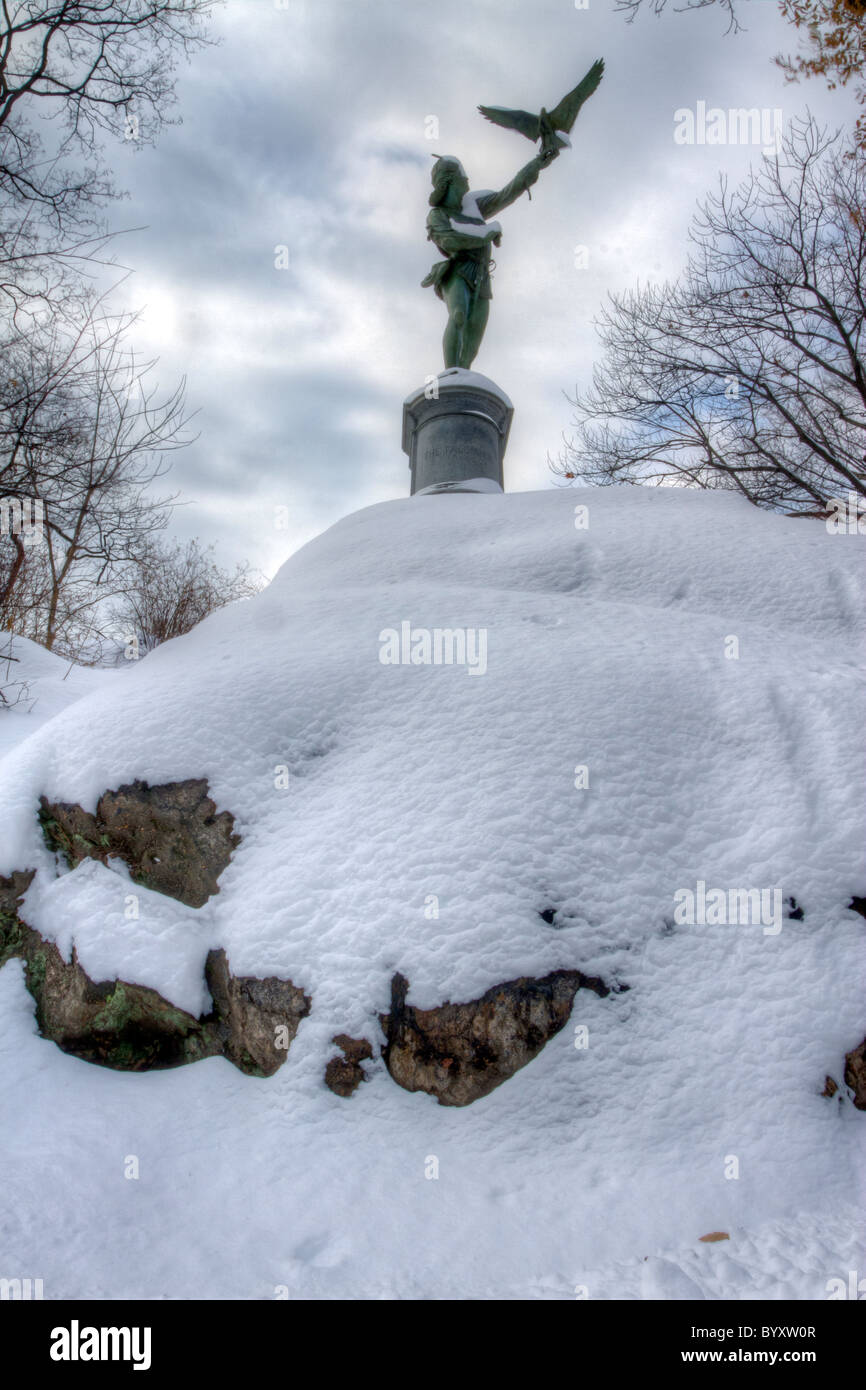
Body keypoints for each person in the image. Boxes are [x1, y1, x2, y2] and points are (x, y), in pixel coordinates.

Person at [422, 142, 559, 369]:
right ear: (449, 182)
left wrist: (538, 163)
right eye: (462, 177)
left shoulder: (473, 205)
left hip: (482, 276)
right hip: (457, 271)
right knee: (458, 315)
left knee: (474, 338)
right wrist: (487, 234)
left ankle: (463, 377)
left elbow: (508, 192)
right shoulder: (438, 215)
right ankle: (450, 377)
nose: (467, 182)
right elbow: (450, 241)